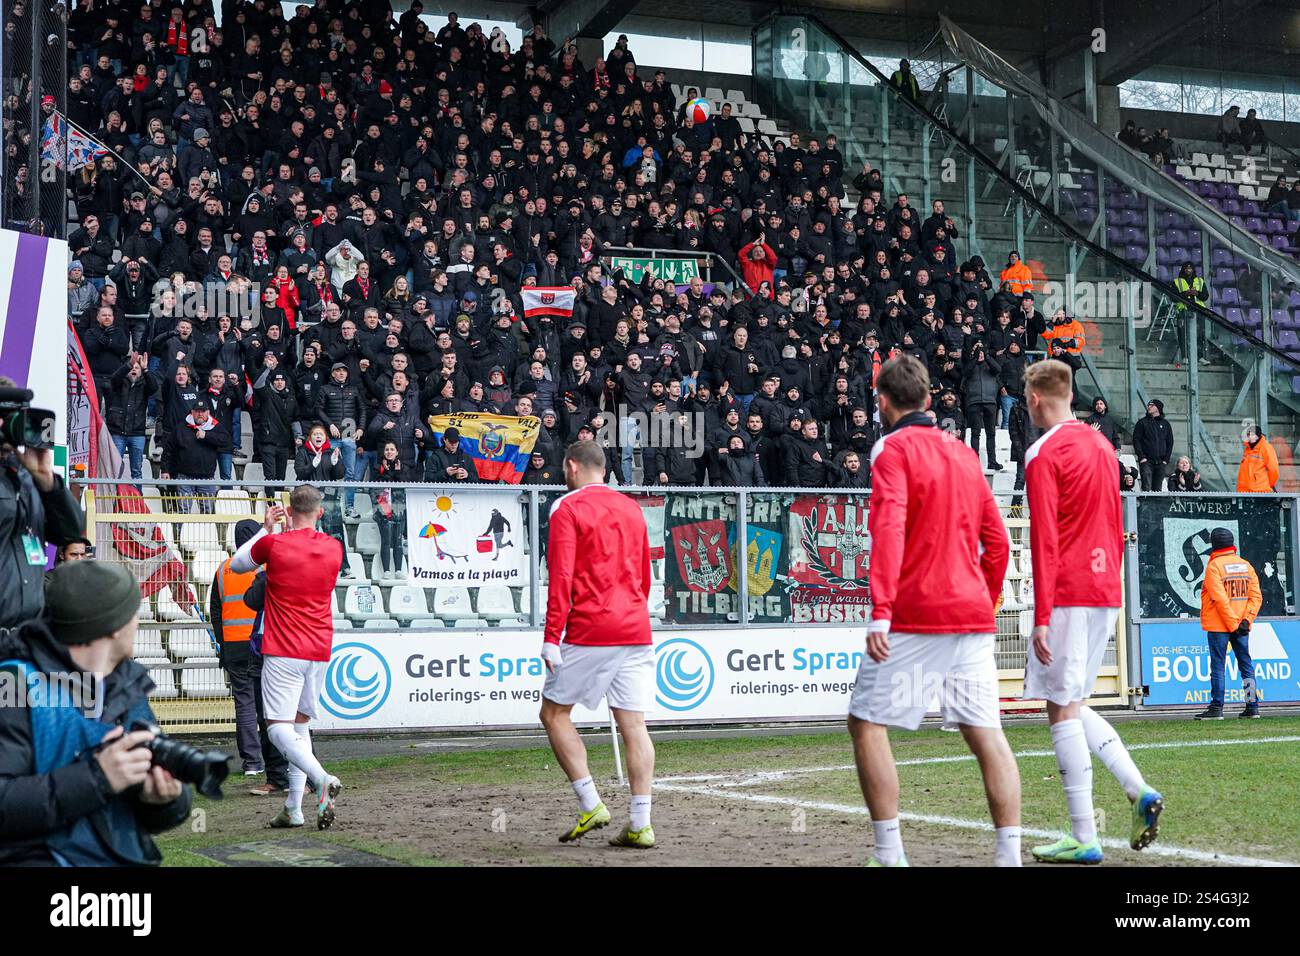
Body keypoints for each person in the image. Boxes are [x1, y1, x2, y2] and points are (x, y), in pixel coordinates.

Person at [849, 355, 1021, 867]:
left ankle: (890, 853)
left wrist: (881, 608)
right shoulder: (965, 453)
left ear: (882, 402)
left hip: (918, 611)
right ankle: (1008, 857)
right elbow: (998, 543)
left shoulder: (890, 448)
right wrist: (983, 599)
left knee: (865, 722)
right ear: (929, 400)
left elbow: (889, 527)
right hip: (970, 612)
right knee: (986, 734)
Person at [1021, 360, 1163, 864]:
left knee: (1059, 707)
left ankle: (1084, 834)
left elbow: (1043, 537)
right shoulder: (1103, 446)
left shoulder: (1043, 453)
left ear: (1035, 398)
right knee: (1075, 701)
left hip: (1068, 591)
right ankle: (1136, 789)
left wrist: (1040, 614)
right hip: (1105, 586)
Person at [0, 562, 193, 865]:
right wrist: (98, 777)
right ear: (115, 626)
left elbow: (148, 815)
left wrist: (164, 801)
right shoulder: (14, 685)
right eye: (134, 613)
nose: (138, 623)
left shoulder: (126, 684)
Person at [538, 440, 657, 848]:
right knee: (635, 725)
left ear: (572, 466)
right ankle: (641, 822)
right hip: (636, 626)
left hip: (592, 627)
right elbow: (645, 575)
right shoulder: (632, 507)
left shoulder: (567, 508)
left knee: (554, 714)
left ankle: (590, 803)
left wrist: (552, 637)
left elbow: (562, 577)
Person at [230, 485, 345, 829]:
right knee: (299, 726)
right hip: (320, 647)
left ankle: (321, 778)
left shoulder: (274, 543)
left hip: (283, 648)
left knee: (278, 728)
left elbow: (237, 565)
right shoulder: (334, 547)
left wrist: (266, 528)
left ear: (288, 510)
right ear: (320, 512)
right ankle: (293, 807)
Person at [213, 519, 289, 793]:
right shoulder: (268, 565)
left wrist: (222, 644)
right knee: (272, 707)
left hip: (234, 646)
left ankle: (251, 762)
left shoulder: (224, 569)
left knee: (244, 704)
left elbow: (216, 611)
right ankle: (285, 765)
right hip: (263, 642)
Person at [0, 401, 85, 629]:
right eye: (2, 417)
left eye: (12, 418)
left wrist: (47, 480)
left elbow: (71, 531)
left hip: (26, 635)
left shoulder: (27, 479)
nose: (8, 426)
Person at [1196, 528, 1263, 720]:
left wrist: (1234, 624)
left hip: (1220, 626)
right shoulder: (1246, 565)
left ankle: (1216, 708)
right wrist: (1245, 620)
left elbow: (1220, 599)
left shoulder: (1214, 567)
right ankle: (1253, 706)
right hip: (1241, 626)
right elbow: (1256, 597)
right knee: (1246, 665)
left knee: (1218, 666)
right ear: (1232, 543)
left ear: (1214, 544)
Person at [1131, 399, 1173, 491]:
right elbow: (1136, 440)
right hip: (1147, 461)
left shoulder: (1165, 424)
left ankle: (1155, 505)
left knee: (1157, 489)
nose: (1149, 407)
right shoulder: (1142, 422)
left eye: (1152, 405)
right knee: (1146, 487)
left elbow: (1170, 442)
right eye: (1148, 405)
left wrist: (1166, 460)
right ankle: (1146, 505)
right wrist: (1141, 457)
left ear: (1158, 408)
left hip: (1161, 462)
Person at [1236, 425, 1279, 492]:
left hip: (1259, 491)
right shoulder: (1247, 449)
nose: (1250, 437)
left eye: (1252, 435)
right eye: (1248, 435)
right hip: (1244, 491)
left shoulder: (1266, 447)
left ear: (1258, 435)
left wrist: (1267, 484)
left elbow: (1273, 469)